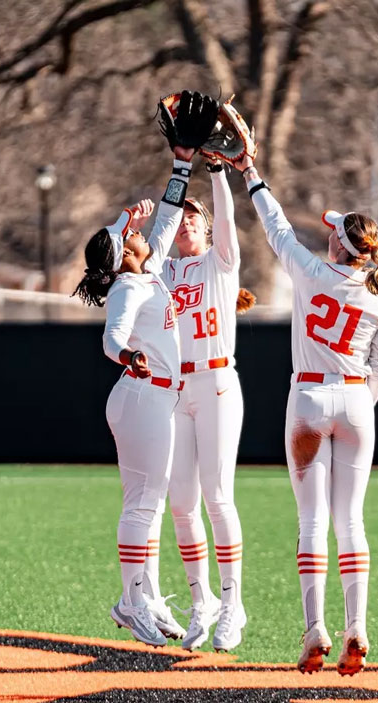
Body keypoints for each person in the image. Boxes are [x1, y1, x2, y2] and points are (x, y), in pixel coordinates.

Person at [232, 154, 378, 675]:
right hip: (354, 401)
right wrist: (359, 408)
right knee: (351, 521)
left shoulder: (308, 270)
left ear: (336, 244)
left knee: (311, 520)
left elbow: (276, 225)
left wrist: (250, 172)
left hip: (307, 398)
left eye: (333, 231)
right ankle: (358, 626)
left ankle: (315, 630)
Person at [72, 147, 200, 647]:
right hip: (141, 394)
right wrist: (127, 355)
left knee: (151, 502)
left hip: (151, 398)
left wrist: (183, 165)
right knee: (142, 505)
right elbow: (110, 338)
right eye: (130, 237)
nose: (140, 237)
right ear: (125, 254)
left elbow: (167, 217)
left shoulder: (145, 271)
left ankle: (144, 596)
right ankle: (129, 601)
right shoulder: (128, 286)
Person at [147, 161, 250, 652]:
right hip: (176, 391)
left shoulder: (219, 262)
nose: (186, 221)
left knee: (217, 497)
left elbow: (227, 221)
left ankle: (233, 604)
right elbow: (155, 235)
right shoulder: (161, 270)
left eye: (195, 217)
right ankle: (202, 600)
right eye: (182, 216)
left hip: (215, 383)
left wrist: (217, 174)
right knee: (181, 503)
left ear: (207, 228)